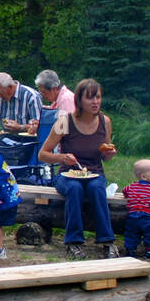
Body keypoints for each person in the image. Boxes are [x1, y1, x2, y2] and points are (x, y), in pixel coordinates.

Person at [39, 79, 119, 259]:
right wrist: (61, 157)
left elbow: (105, 154)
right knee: (74, 189)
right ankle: (73, 242)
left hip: (94, 173)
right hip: (67, 174)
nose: (95, 102)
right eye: (90, 98)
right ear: (79, 101)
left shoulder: (104, 121)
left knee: (97, 188)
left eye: (98, 97)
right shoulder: (64, 122)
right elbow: (42, 154)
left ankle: (107, 241)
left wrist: (109, 154)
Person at [122, 159, 150, 260]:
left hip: (132, 215)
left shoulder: (132, 186)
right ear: (143, 176)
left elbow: (124, 191)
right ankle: (149, 251)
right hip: (148, 216)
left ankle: (130, 251)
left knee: (131, 233)